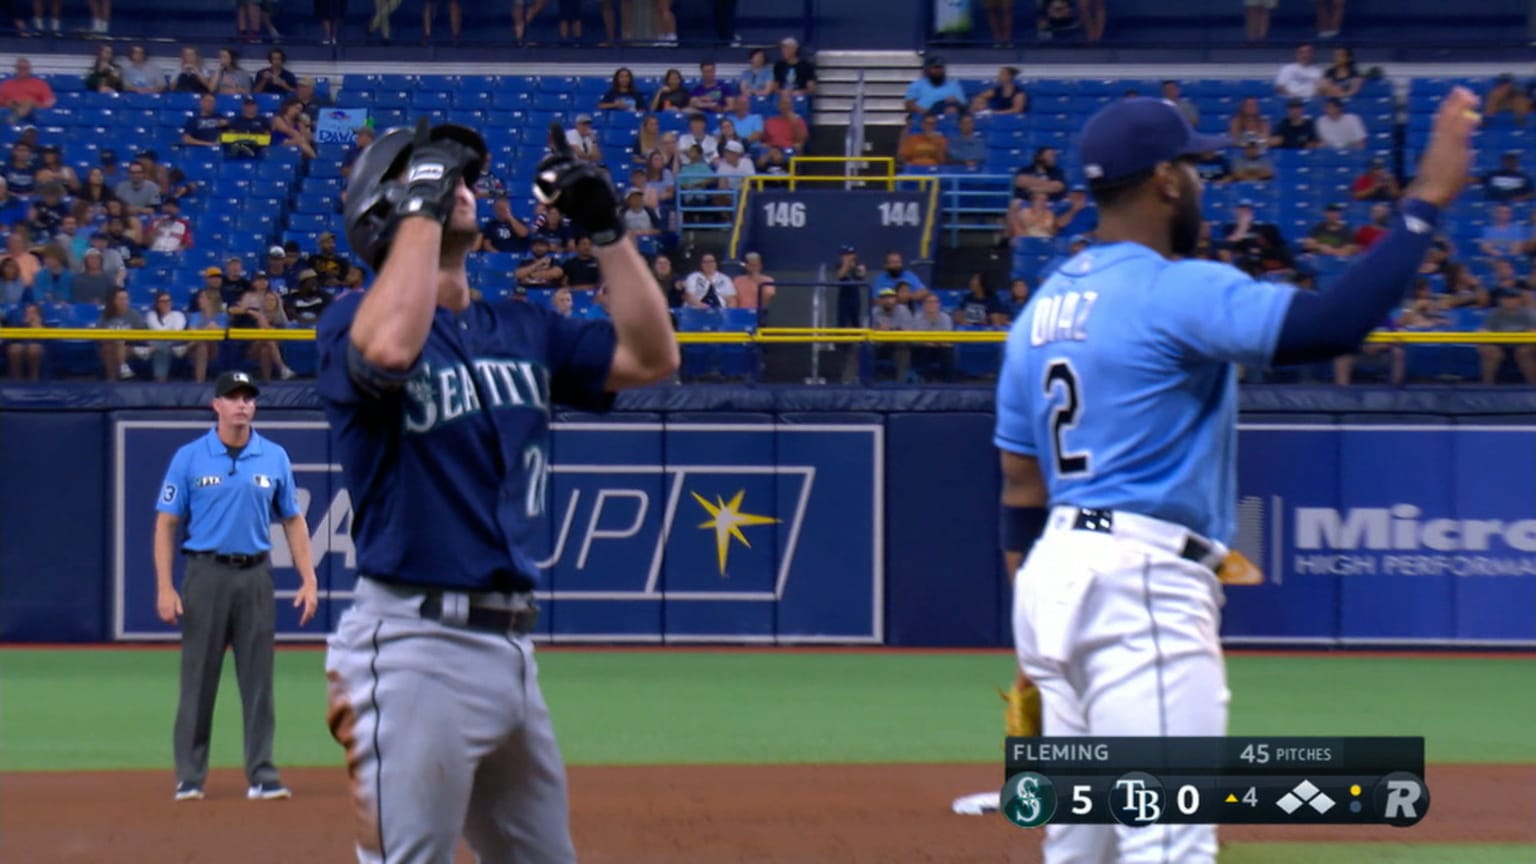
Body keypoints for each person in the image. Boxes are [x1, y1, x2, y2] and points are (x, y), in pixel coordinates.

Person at [970, 90, 1477, 859]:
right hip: (1139, 584)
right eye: (1196, 166)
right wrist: (1426, 201)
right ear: (1166, 180)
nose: (1207, 182)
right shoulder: (1173, 288)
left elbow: (1020, 487)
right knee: (1170, 844)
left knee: (1082, 852)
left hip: (1052, 583)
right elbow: (1333, 326)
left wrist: (1034, 638)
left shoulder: (1040, 310)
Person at [317, 119, 678, 862]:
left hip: (511, 646)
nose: (462, 189)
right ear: (390, 204)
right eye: (440, 176)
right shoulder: (351, 320)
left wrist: (607, 229)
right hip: (414, 643)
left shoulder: (520, 326)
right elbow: (389, 350)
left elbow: (652, 356)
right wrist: (422, 202)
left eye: (460, 180)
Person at [155, 370, 321, 802]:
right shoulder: (190, 457)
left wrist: (308, 577)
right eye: (233, 397)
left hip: (255, 576)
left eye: (248, 397)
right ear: (216, 405)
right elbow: (166, 523)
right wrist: (165, 586)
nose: (242, 404)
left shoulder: (273, 456)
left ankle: (263, 773)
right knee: (198, 679)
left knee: (258, 679)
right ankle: (189, 776)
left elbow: (292, 520)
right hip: (205, 573)